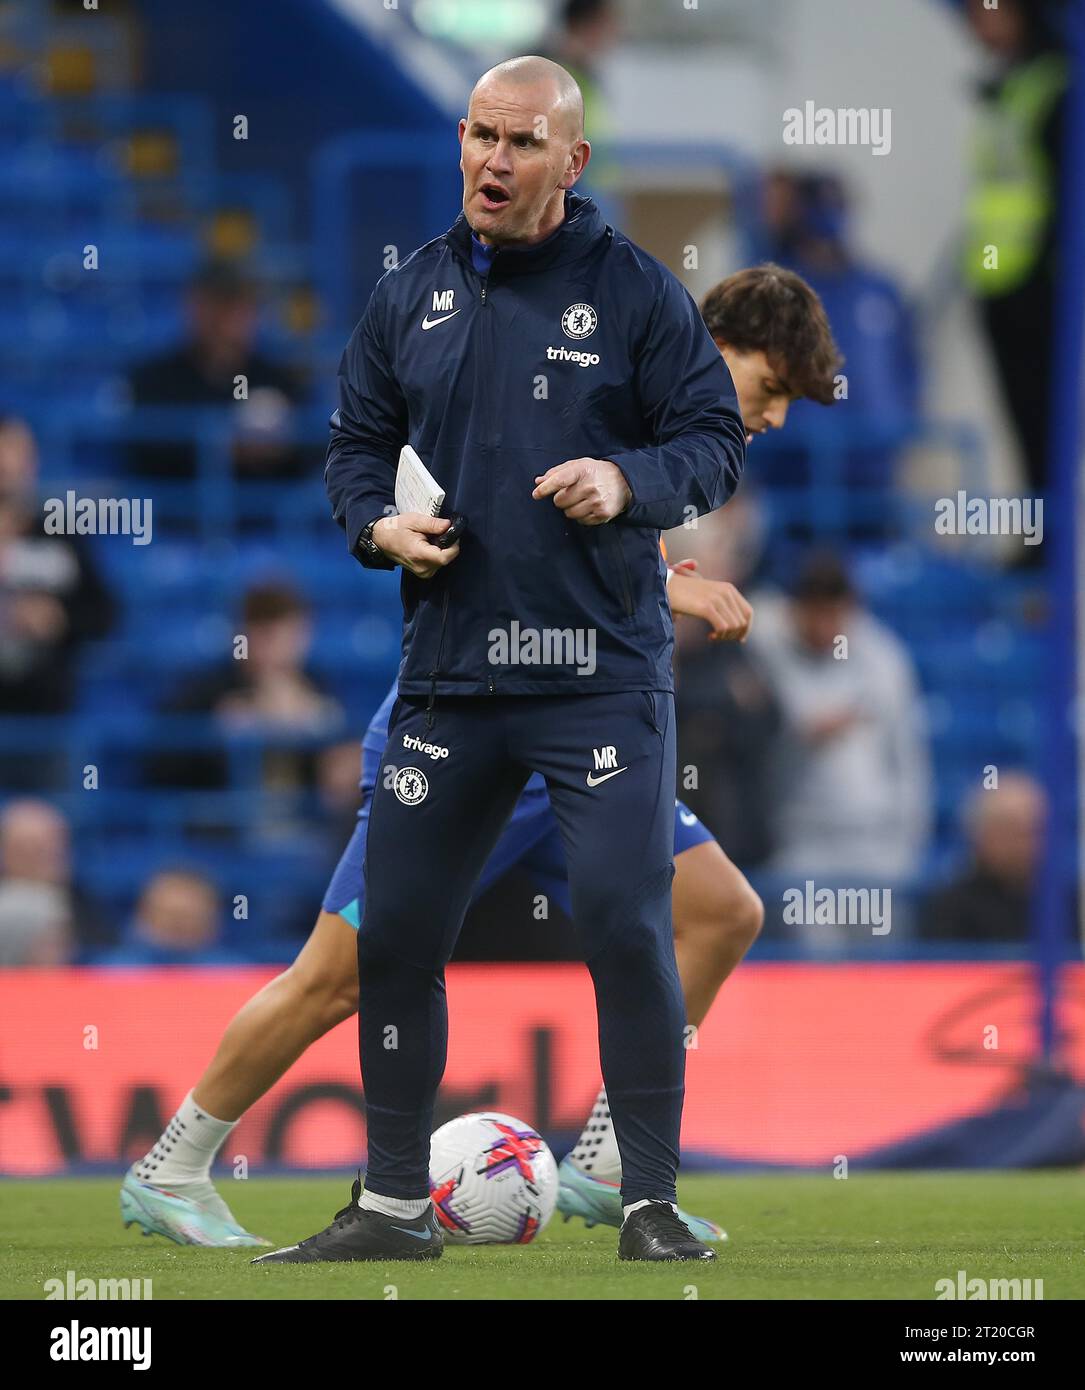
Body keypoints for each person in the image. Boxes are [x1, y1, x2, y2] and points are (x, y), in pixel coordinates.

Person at [120, 261, 840, 1253]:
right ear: (717, 349)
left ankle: (602, 1162)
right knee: (338, 977)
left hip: (578, 734)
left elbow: (587, 564)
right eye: (766, 391)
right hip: (469, 722)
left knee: (721, 910)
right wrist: (667, 589)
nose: (770, 422)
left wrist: (651, 581)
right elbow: (510, 542)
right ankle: (174, 1164)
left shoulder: (661, 427)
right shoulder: (596, 380)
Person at [751, 552, 931, 896]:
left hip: (876, 841)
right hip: (798, 839)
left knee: (881, 947)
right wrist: (797, 731)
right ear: (795, 609)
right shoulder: (763, 648)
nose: (823, 628)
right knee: (811, 949)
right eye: (813, 615)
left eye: (832, 616)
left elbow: (908, 756)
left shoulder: (884, 659)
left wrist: (908, 846)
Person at [124, 260, 307, 481]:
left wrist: (278, 448)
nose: (226, 319)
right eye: (216, 305)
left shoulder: (280, 380)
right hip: (179, 511)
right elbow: (145, 449)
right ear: (193, 307)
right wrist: (223, 447)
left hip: (260, 511)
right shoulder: (154, 379)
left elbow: (313, 453)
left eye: (237, 306)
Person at [921, 773, 1045, 943]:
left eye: (1034, 830)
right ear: (980, 833)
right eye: (1010, 828)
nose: (1025, 842)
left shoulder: (1067, 904)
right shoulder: (950, 909)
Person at [93, 868, 244, 966]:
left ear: (211, 919)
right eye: (168, 915)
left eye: (188, 917)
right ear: (144, 914)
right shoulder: (108, 974)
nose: (177, 925)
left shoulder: (236, 976)